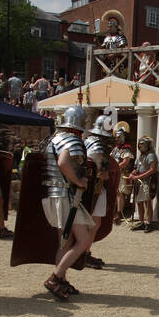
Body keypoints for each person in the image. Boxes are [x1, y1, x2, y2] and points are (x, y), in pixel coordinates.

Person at [41, 105, 97, 299]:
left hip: (53, 194)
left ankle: (62, 281)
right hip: (65, 196)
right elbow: (63, 162)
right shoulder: (71, 139)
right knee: (83, 240)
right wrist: (77, 180)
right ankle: (55, 278)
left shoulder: (53, 139)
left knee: (65, 242)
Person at [83, 114, 116, 267]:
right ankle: (83, 253)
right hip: (94, 188)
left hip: (84, 187)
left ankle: (84, 252)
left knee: (89, 222)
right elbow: (102, 173)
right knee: (94, 223)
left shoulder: (85, 142)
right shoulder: (97, 147)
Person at [129, 135, 158, 232]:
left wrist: (138, 177)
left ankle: (148, 223)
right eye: (140, 144)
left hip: (147, 182)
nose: (140, 146)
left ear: (147, 145)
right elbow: (136, 169)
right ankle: (141, 222)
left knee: (147, 202)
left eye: (143, 144)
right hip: (139, 182)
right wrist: (132, 174)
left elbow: (153, 170)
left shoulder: (151, 155)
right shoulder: (141, 156)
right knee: (139, 202)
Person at [112, 122, 135, 222]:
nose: (117, 139)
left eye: (119, 137)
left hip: (122, 174)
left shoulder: (127, 148)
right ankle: (113, 212)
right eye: (116, 137)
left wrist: (115, 167)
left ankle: (119, 213)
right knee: (114, 193)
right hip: (114, 173)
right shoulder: (115, 149)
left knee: (120, 193)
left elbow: (125, 162)